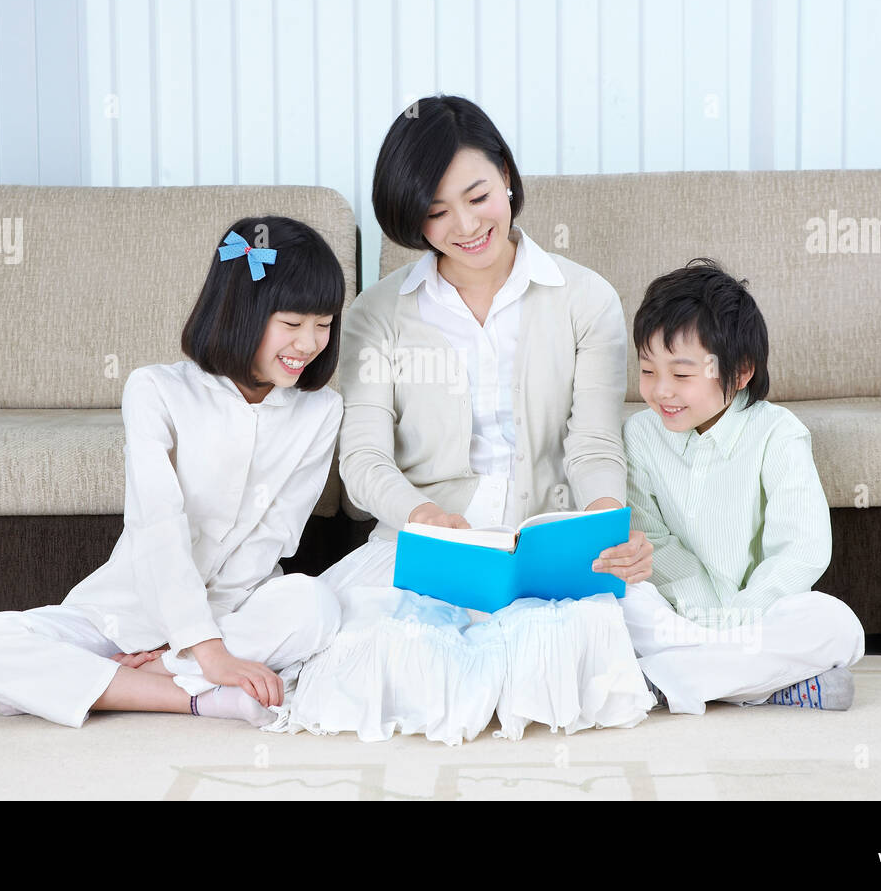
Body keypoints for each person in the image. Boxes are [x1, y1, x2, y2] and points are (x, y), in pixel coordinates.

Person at [270, 95, 657, 746]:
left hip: (544, 539)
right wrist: (423, 516)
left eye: (478, 196)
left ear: (506, 174)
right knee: (361, 651)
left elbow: (592, 441)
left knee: (629, 631)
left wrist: (604, 522)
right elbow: (364, 460)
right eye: (435, 212)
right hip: (425, 543)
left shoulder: (586, 299)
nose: (465, 225)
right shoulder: (377, 314)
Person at [0, 216, 346, 728]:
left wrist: (194, 641)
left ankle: (109, 682)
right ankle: (198, 697)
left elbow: (274, 536)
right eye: (292, 324)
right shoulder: (155, 389)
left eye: (325, 324)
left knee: (315, 606)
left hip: (236, 612)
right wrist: (198, 647)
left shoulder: (321, 410)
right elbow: (157, 522)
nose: (310, 343)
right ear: (240, 312)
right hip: (124, 607)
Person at [620, 258, 866, 714]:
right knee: (618, 598)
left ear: (739, 372)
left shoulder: (778, 434)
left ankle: (663, 679)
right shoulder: (639, 435)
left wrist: (735, 619)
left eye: (682, 374)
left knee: (838, 625)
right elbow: (651, 539)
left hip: (759, 615)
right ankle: (767, 687)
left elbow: (802, 550)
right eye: (649, 371)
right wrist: (701, 614)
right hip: (679, 612)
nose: (660, 391)